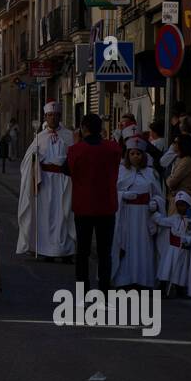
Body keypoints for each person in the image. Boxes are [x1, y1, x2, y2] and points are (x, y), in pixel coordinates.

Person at [66, 114, 122, 290]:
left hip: (84, 207)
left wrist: (76, 143)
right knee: (105, 252)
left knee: (83, 251)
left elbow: (66, 169)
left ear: (83, 129)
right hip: (107, 206)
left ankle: (83, 288)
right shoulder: (113, 148)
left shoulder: (77, 150)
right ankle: (104, 288)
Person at [16, 100, 75, 260]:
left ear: (60, 116)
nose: (53, 118)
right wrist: (34, 158)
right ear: (45, 116)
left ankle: (65, 251)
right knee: (46, 216)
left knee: (64, 215)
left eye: (56, 115)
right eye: (50, 115)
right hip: (45, 183)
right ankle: (45, 250)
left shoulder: (69, 136)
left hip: (64, 181)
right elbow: (27, 162)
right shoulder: (39, 138)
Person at [111, 136, 164, 289]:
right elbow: (112, 192)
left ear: (143, 156)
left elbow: (158, 195)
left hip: (144, 216)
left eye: (139, 153)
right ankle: (124, 279)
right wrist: (122, 196)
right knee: (126, 245)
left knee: (144, 246)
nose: (135, 156)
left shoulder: (150, 173)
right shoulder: (121, 171)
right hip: (127, 214)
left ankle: (144, 280)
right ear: (127, 154)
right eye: (132, 153)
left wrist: (155, 203)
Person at [154, 190, 191, 298]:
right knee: (167, 268)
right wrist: (154, 213)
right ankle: (162, 288)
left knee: (180, 271)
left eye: (183, 205)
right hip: (172, 249)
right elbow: (162, 221)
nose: (180, 208)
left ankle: (179, 288)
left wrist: (186, 240)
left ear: (188, 206)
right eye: (178, 205)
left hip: (182, 250)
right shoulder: (174, 218)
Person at [164, 133, 191, 210]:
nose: (173, 145)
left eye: (176, 142)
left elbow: (171, 182)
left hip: (183, 201)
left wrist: (168, 177)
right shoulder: (180, 159)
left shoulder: (186, 161)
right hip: (178, 199)